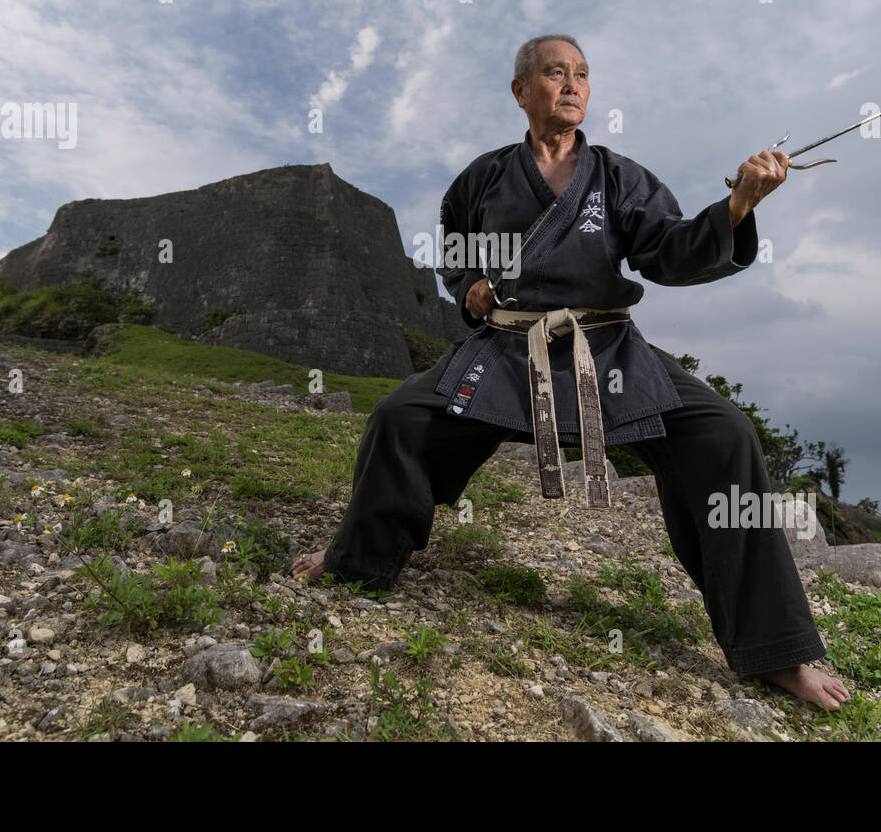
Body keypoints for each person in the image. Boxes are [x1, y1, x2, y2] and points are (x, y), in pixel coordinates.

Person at [293, 34, 850, 710]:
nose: (571, 84)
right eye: (555, 73)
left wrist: (737, 207)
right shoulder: (482, 179)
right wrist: (469, 285)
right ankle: (358, 559)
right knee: (398, 418)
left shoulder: (617, 177)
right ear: (520, 90)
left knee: (724, 434)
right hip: (507, 351)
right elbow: (457, 259)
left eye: (582, 74)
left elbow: (669, 251)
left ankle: (776, 649)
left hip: (604, 351)